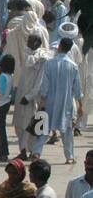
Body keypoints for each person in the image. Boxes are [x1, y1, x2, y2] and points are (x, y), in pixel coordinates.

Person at [36, 36, 83, 164]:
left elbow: (44, 87)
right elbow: (77, 88)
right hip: (66, 104)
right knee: (67, 131)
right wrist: (80, 106)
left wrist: (41, 103)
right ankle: (70, 156)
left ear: (60, 46)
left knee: (44, 128)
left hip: (49, 103)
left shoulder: (49, 63)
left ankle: (37, 152)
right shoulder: (73, 66)